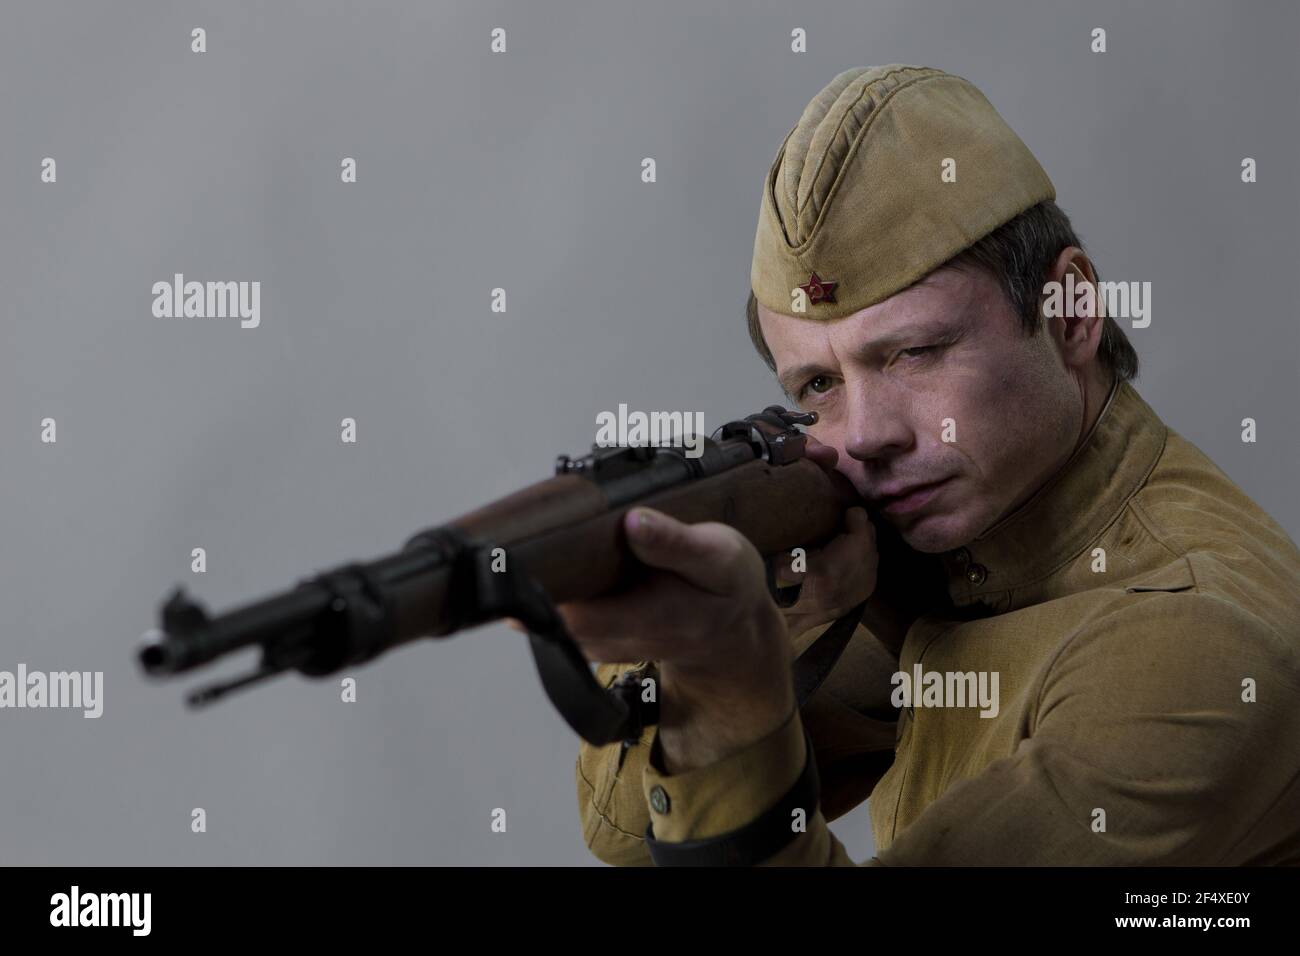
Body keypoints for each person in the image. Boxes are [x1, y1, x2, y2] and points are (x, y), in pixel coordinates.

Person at [568, 65, 1300, 865]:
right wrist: (775, 616)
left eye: (915, 352)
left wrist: (732, 681)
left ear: (1071, 313)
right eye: (819, 383)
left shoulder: (1191, 648)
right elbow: (621, 829)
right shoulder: (929, 549)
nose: (867, 435)